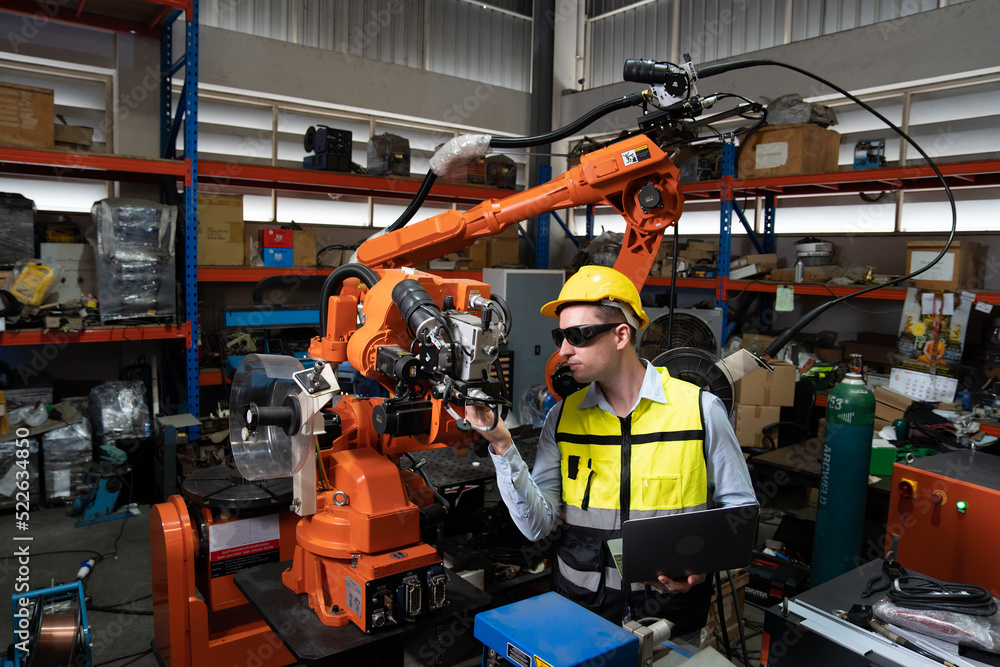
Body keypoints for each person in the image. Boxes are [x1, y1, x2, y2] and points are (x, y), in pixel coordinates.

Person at [466, 265, 758, 639]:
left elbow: (739, 511)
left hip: (669, 620)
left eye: (578, 336)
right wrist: (502, 445)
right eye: (560, 335)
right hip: (581, 615)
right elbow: (537, 526)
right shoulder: (563, 420)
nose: (563, 350)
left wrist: (700, 567)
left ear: (621, 335)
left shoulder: (700, 411)